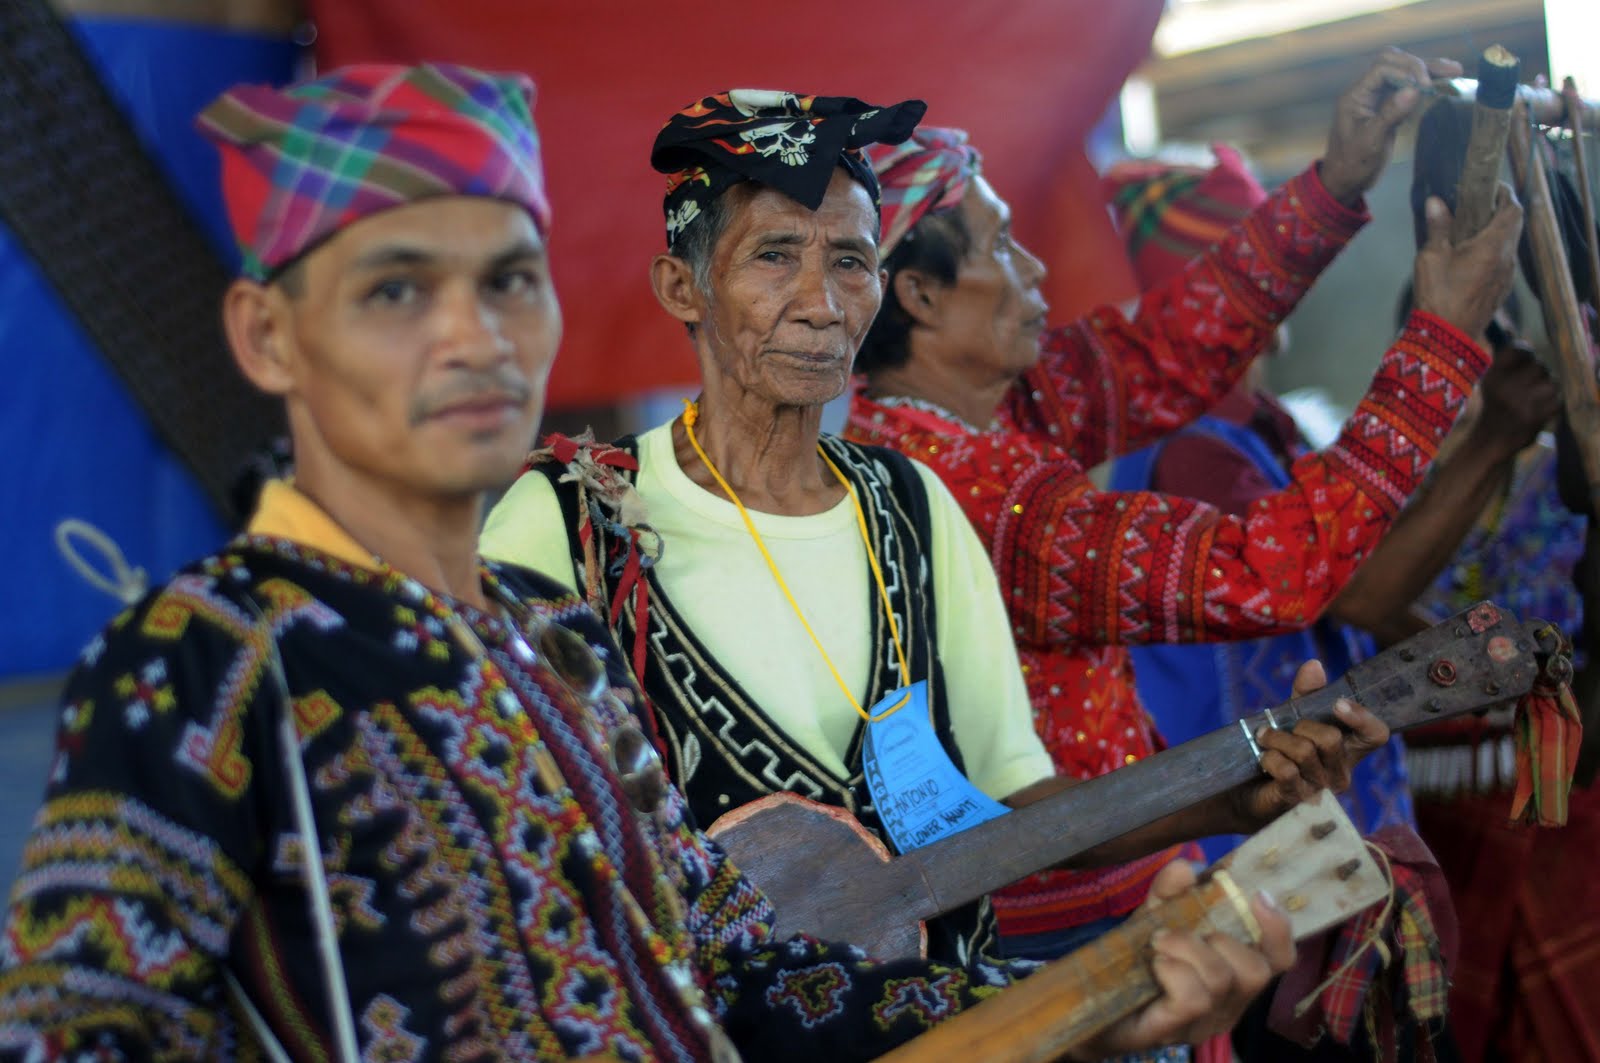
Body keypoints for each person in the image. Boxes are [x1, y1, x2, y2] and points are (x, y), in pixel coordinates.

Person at [0, 64, 1291, 1062]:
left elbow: (743, 969)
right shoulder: (213, 651)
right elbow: (73, 1034)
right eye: (397, 290)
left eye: (511, 281)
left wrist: (1092, 1002)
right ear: (267, 335)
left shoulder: (553, 639)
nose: (474, 336)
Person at [483, 85, 1391, 985]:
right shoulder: (571, 518)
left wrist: (1231, 798)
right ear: (681, 286)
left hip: (957, 1017)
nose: (820, 301)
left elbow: (1014, 805)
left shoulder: (911, 506)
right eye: (773, 256)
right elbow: (513, 837)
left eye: (850, 260)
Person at [841, 48, 1522, 962]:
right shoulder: (969, 496)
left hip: (1107, 882)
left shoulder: (982, 411)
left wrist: (1336, 181)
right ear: (920, 294)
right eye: (1000, 246)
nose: (1034, 266)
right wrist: (1441, 340)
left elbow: (1169, 348)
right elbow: (1264, 572)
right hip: (1060, 929)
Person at [1100, 147, 1560, 862]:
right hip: (1247, 833)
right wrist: (1493, 436)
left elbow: (1356, 595)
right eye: (1270, 260)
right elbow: (1357, 598)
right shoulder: (1193, 454)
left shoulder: (1264, 432)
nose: (1295, 275)